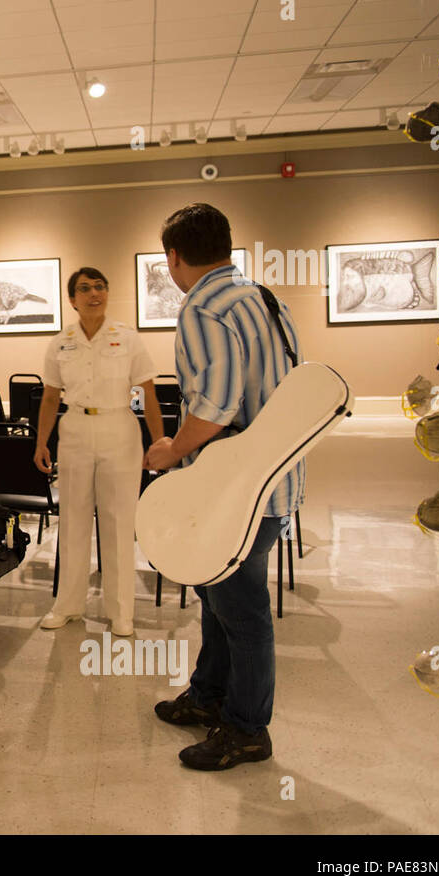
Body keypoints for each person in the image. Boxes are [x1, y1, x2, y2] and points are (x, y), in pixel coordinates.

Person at [144, 203, 303, 771]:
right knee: (214, 590)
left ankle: (246, 729)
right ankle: (210, 695)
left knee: (241, 609)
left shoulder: (203, 308)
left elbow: (213, 407)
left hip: (236, 492)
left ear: (174, 256)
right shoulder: (266, 298)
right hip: (274, 484)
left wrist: (169, 450)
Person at [34, 267, 162, 637]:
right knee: (72, 519)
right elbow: (49, 396)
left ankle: (121, 611)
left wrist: (159, 441)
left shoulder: (128, 338)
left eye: (100, 287)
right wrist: (41, 442)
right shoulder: (60, 343)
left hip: (119, 428)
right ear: (72, 299)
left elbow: (148, 392)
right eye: (85, 289)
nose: (95, 294)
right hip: (74, 429)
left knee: (119, 521)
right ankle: (68, 605)